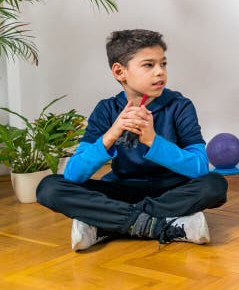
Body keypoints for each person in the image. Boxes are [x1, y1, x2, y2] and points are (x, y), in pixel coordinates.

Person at [37, 29, 228, 251]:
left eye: (163, 64)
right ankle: (163, 225)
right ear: (120, 71)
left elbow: (200, 167)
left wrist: (153, 141)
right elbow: (74, 174)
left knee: (215, 184)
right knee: (48, 188)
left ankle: (108, 225)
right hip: (122, 191)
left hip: (172, 191)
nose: (160, 72)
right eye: (149, 65)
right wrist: (112, 134)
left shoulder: (180, 106)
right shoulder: (106, 109)